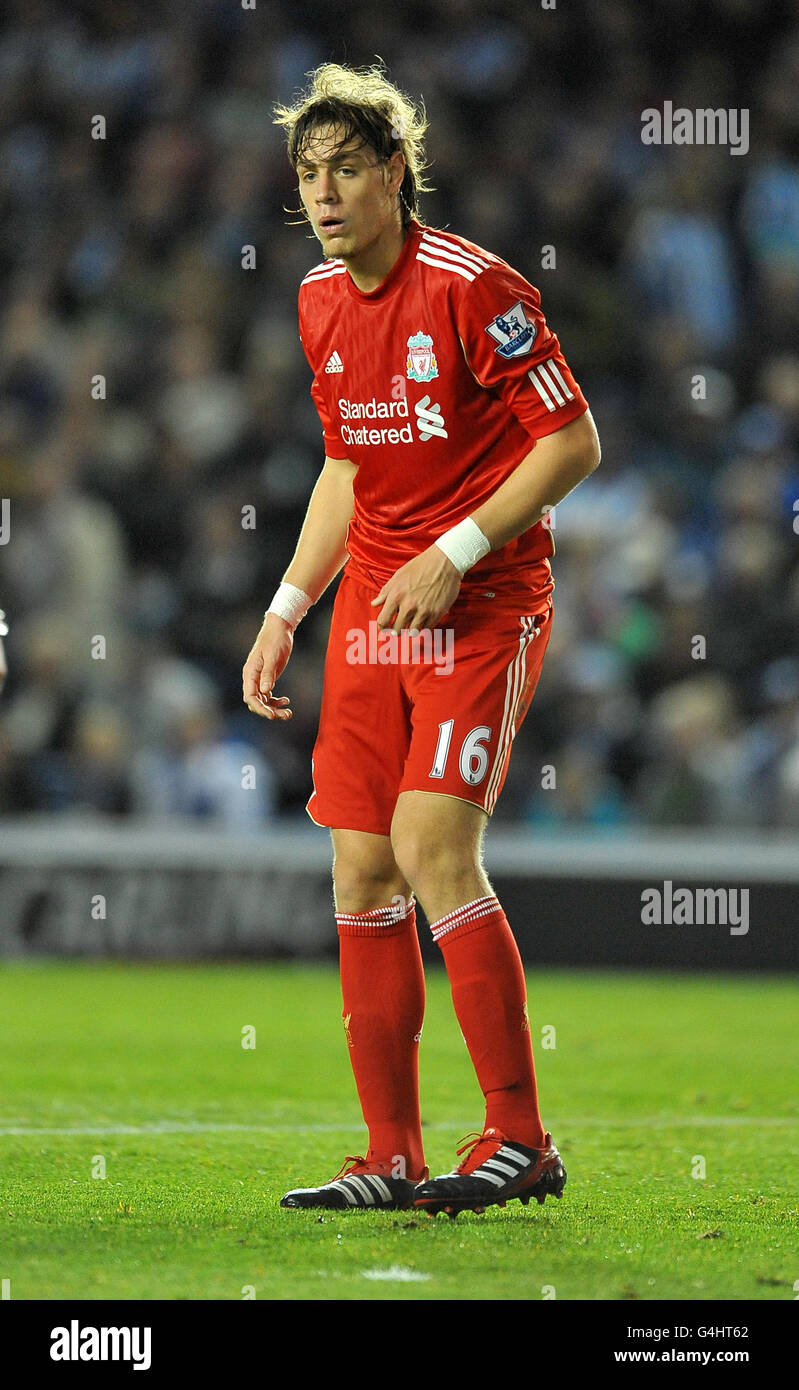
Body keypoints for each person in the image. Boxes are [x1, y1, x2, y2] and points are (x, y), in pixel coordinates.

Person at [242, 63, 601, 1217]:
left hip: (482, 601)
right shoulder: (315, 300)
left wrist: (456, 549)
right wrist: (287, 607)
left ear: (397, 173)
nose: (325, 191)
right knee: (359, 866)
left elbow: (573, 441)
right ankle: (388, 1153)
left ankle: (520, 1137)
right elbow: (347, 466)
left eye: (347, 167)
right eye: (308, 174)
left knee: (430, 841)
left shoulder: (475, 288)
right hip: (371, 611)